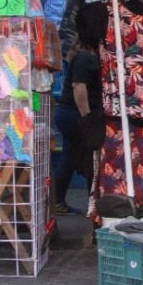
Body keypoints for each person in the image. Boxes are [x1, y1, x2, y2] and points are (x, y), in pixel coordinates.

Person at [52, 37, 102, 215]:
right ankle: (88, 203)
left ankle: (58, 201)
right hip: (75, 115)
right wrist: (87, 117)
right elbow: (78, 87)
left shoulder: (81, 57)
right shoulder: (85, 58)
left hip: (69, 114)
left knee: (70, 158)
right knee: (83, 159)